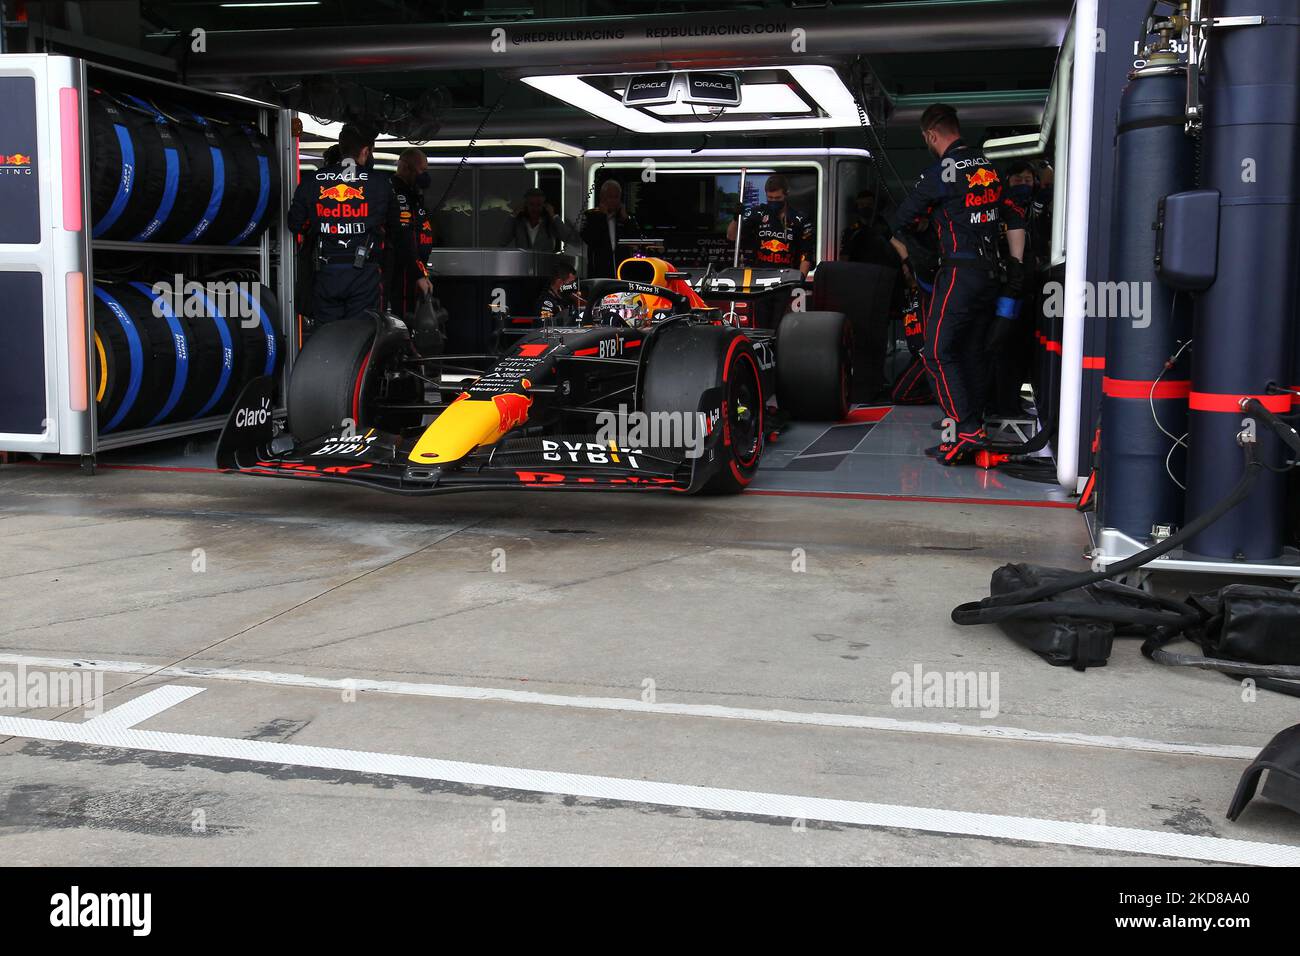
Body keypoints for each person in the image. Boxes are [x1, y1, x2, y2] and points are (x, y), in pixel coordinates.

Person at [888, 103, 1026, 466]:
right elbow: (1014, 217)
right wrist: (1016, 269)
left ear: (931, 135)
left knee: (935, 351)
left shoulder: (941, 171)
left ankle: (966, 430)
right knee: (972, 353)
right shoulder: (989, 167)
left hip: (959, 273)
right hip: (993, 274)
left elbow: (902, 218)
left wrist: (927, 218)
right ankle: (972, 425)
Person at [288, 124, 431, 325]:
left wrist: (326, 224)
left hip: (325, 273)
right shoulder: (381, 184)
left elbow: (295, 224)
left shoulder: (312, 181)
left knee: (327, 341)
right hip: (363, 275)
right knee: (360, 341)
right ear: (365, 151)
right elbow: (400, 233)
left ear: (341, 147)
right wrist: (418, 274)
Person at [727, 174, 814, 277]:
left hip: (787, 277)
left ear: (786, 194)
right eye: (770, 197)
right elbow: (731, 236)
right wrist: (736, 218)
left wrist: (799, 280)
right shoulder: (758, 213)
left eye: (777, 198)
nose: (773, 201)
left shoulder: (800, 219)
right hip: (758, 277)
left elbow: (807, 255)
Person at [386, 147, 437, 321]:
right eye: (422, 170)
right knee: (402, 320)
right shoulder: (397, 194)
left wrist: (421, 273)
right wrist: (418, 274)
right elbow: (404, 238)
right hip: (401, 273)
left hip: (413, 270)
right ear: (406, 168)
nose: (425, 175)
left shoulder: (412, 194)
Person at [579, 180, 641, 279]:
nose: (613, 200)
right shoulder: (590, 216)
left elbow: (636, 240)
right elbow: (590, 239)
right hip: (599, 272)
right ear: (602, 197)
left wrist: (626, 220)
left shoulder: (626, 217)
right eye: (609, 197)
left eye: (616, 197)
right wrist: (602, 216)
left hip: (623, 271)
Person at [502, 187, 580, 254]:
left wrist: (554, 216)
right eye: (531, 204)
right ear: (525, 205)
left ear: (544, 205)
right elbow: (503, 240)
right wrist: (513, 215)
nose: (535, 209)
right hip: (523, 267)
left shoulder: (550, 224)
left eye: (538, 205)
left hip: (545, 266)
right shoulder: (519, 223)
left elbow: (571, 240)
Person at [839, 188, 898, 268]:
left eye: (869, 204)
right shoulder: (851, 231)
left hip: (881, 272)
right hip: (860, 273)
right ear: (857, 207)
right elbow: (844, 259)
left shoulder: (884, 226)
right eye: (862, 204)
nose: (866, 207)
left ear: (875, 206)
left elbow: (896, 248)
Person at [534, 258, 582, 325]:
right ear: (559, 282)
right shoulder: (546, 302)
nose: (573, 285)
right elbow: (545, 327)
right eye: (571, 282)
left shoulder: (567, 299)